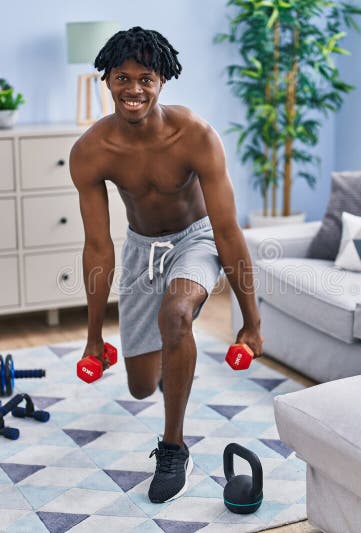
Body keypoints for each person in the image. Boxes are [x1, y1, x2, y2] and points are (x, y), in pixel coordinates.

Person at [69, 26, 263, 504]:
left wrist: (251, 322)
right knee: (140, 387)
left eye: (146, 78)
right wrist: (95, 335)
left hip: (197, 239)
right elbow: (97, 247)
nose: (134, 89)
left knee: (174, 316)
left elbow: (227, 230)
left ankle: (174, 447)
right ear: (108, 81)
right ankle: (171, 348)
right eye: (123, 78)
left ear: (162, 81)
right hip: (141, 249)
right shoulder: (91, 151)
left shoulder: (194, 135)